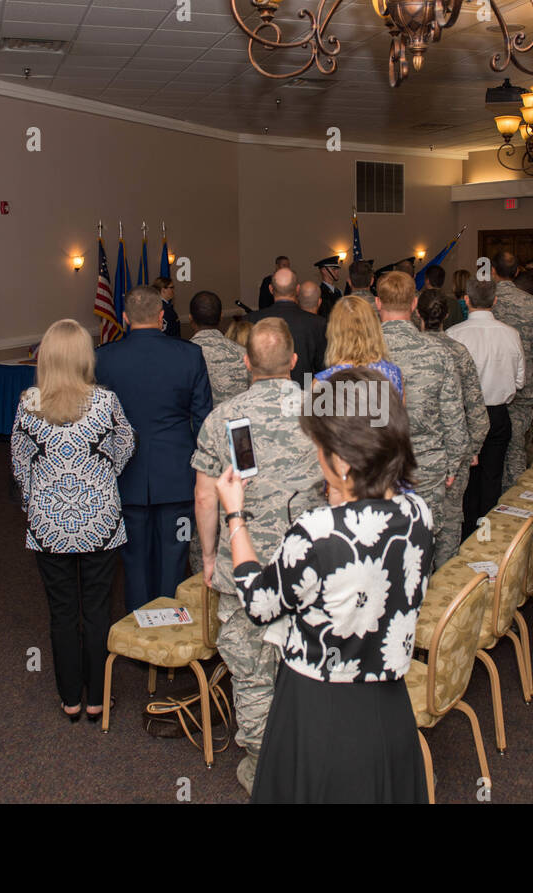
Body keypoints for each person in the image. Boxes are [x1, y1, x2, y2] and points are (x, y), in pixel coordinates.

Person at [216, 367, 432, 802]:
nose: (316, 455)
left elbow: (260, 604)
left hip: (317, 707)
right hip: (388, 702)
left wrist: (236, 516)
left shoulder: (317, 531)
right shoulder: (419, 513)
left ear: (345, 460)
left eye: (321, 446)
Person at [191, 318, 325, 795]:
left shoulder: (221, 418)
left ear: (245, 363)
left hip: (243, 567)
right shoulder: (324, 411)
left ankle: (263, 768)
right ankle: (309, 759)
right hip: (312, 567)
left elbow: (206, 499)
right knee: (311, 665)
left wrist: (208, 558)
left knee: (250, 673)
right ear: (293, 361)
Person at [12, 320, 135, 722]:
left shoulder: (28, 403)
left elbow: (20, 464)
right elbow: (125, 447)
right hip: (100, 522)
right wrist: (99, 480)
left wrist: (38, 502)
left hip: (48, 525)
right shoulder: (106, 402)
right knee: (98, 609)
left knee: (62, 611)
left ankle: (70, 699)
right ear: (85, 357)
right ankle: (98, 697)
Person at [95, 285, 212, 613]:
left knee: (132, 559)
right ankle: (168, 631)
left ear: (124, 318)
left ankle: (139, 630)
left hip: (125, 475)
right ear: (162, 317)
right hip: (177, 475)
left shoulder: (104, 358)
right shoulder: (189, 355)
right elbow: (204, 422)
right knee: (174, 556)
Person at [377, 271, 469, 569]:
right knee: (423, 554)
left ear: (378, 303)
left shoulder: (363, 353)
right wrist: (453, 465)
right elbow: (454, 418)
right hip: (426, 471)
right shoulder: (438, 353)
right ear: (414, 304)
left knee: (383, 558)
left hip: (378, 472)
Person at [450, 278, 525, 536]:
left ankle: (467, 533)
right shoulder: (511, 334)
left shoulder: (454, 335)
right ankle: (485, 534)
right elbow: (519, 380)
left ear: (467, 300)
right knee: (493, 477)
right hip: (498, 413)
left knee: (467, 481)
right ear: (494, 301)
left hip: (466, 416)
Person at [419, 288, 489, 560]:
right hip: (453, 457)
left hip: (417, 461)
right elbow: (477, 412)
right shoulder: (459, 352)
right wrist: (471, 449)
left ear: (417, 313)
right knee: (449, 526)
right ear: (447, 315)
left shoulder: (407, 353)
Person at [491, 251, 533, 488]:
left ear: (493, 272)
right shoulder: (532, 304)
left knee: (487, 454)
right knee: (516, 450)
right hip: (522, 391)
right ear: (517, 272)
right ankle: (512, 510)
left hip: (488, 392)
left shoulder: (484, 302)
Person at [249, 267, 328, 383]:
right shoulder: (317, 323)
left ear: (271, 289)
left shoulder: (252, 320)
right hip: (304, 393)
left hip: (261, 394)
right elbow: (323, 369)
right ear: (297, 289)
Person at [316, 294, 403, 393]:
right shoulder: (393, 374)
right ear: (373, 327)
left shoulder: (322, 383)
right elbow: (399, 408)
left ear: (334, 332)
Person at [189, 290, 249, 406]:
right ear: (221, 316)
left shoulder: (180, 357)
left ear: (191, 319)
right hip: (236, 422)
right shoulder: (243, 354)